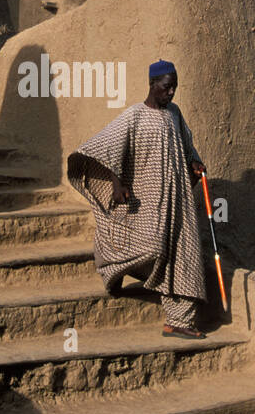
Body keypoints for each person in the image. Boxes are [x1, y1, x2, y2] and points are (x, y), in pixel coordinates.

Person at [67, 59, 208, 338]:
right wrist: (117, 184)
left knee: (185, 254)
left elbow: (187, 146)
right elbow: (107, 146)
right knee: (154, 248)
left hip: (178, 199)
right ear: (152, 84)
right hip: (146, 197)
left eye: (174, 88)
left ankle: (179, 320)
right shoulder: (134, 116)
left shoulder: (175, 115)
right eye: (167, 87)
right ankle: (110, 262)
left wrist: (195, 163)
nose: (171, 93)